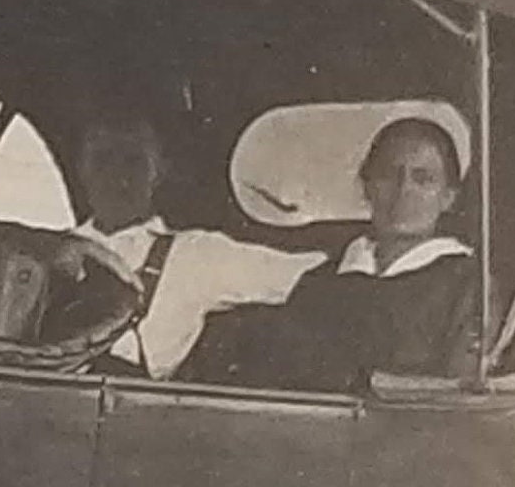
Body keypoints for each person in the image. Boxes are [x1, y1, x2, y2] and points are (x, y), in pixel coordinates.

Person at [179, 113, 484, 390]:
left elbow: (458, 394)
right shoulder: (321, 281)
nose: (404, 191)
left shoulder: (468, 284)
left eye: (423, 179)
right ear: (367, 187)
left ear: (448, 198)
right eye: (389, 174)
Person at [72, 113, 324, 377]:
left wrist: (362, 253)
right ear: (82, 169)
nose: (117, 176)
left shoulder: (196, 255)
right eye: (102, 161)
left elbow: (300, 273)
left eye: (133, 162)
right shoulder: (49, 254)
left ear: (159, 171)